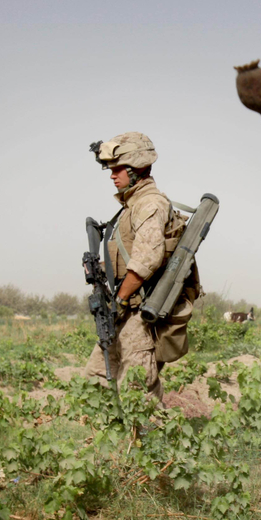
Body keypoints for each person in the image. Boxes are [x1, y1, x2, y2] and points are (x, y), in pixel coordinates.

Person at [84, 132, 200, 403]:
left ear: (137, 169)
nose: (112, 176)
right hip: (126, 307)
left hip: (139, 310)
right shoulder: (132, 205)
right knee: (97, 376)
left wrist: (120, 300)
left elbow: (146, 260)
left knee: (137, 391)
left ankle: (149, 442)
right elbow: (131, 257)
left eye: (117, 169)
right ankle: (103, 437)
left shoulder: (149, 204)